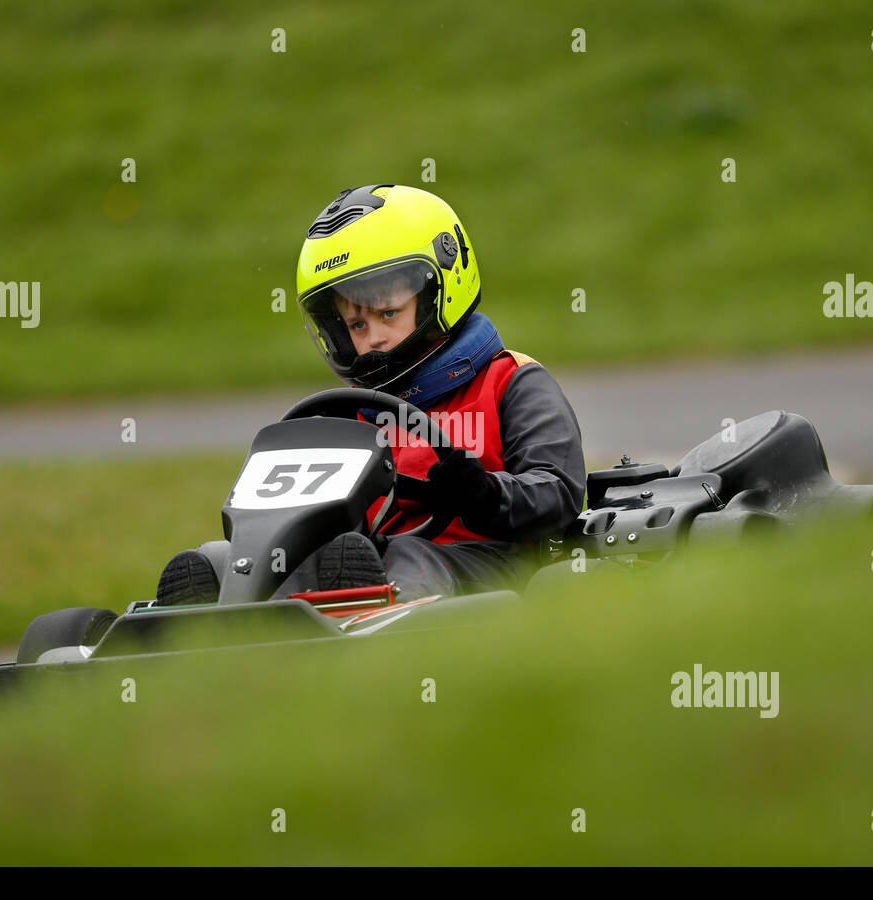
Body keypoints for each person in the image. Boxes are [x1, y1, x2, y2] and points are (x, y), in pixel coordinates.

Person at [155, 184, 586, 604]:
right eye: (358, 325)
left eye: (388, 313)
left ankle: (343, 612)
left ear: (441, 289)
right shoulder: (349, 415)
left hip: (490, 562)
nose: (373, 337)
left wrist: (484, 493)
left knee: (401, 556)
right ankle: (213, 620)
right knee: (233, 561)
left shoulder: (510, 381)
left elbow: (559, 491)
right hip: (366, 559)